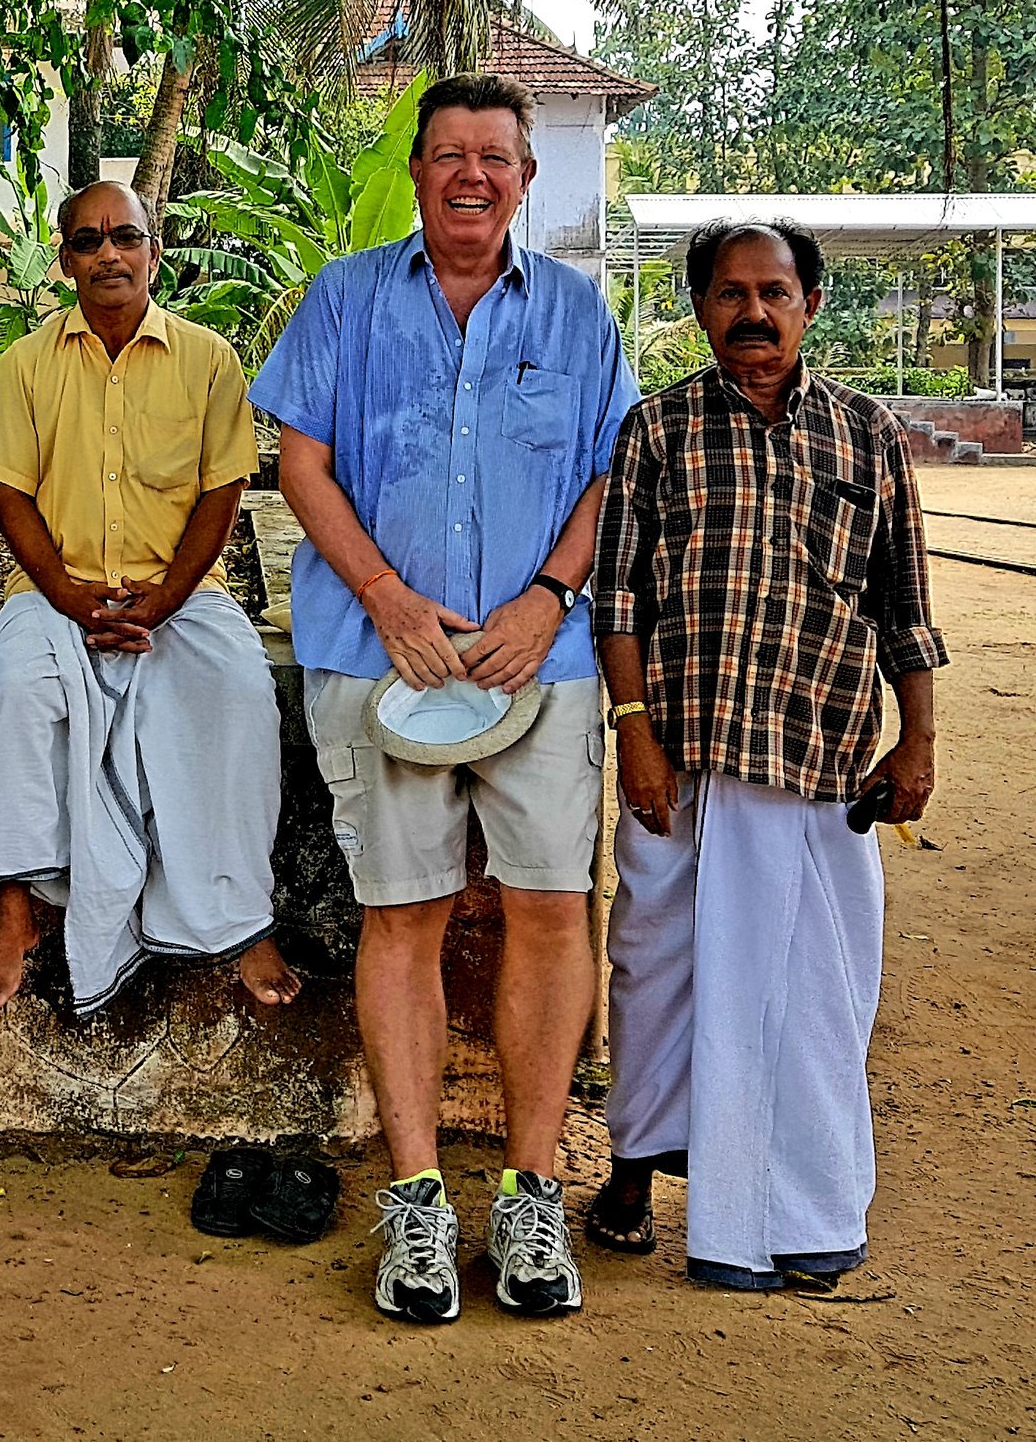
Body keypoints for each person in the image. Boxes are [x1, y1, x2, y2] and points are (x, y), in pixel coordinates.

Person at [250, 72, 636, 1322]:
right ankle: (415, 1202)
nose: (471, 174)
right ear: (414, 171)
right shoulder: (345, 300)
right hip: (378, 661)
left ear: (526, 178)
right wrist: (385, 598)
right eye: (448, 154)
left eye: (495, 156)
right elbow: (297, 456)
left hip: (545, 665)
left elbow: (605, 474)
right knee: (401, 917)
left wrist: (544, 598)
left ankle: (531, 1197)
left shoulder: (579, 315)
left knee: (546, 910)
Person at [590, 219, 944, 1290]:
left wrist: (917, 736)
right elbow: (616, 600)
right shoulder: (654, 431)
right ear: (699, 307)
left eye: (773, 291)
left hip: (818, 766)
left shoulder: (866, 434)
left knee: (812, 992)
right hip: (683, 769)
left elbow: (904, 609)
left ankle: (804, 1212)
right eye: (730, 292)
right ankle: (635, 1168)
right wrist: (633, 732)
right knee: (654, 972)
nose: (752, 311)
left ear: (809, 303)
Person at [0, 179, 300, 1019]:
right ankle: (18, 905)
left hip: (182, 591)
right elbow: (10, 497)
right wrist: (71, 598)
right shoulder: (27, 364)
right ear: (65, 261)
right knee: (19, 688)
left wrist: (163, 599)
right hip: (54, 589)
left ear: (154, 252)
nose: (107, 253)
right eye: (86, 240)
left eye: (124, 236)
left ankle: (238, 919)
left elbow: (222, 498)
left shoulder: (208, 359)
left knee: (240, 694)